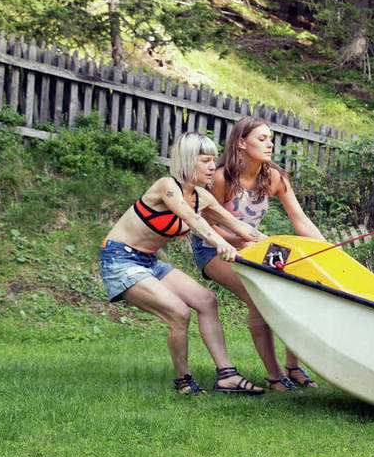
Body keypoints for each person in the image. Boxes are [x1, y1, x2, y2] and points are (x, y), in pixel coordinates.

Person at [100, 131, 268, 395]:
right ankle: (184, 382)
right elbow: (190, 218)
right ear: (188, 160)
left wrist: (280, 244)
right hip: (120, 260)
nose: (213, 166)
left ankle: (227, 376)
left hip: (148, 262)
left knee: (206, 300)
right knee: (179, 314)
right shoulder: (166, 186)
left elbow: (242, 228)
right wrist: (219, 242)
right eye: (206, 160)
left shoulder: (203, 197)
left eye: (214, 160)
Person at [190, 116, 327, 392]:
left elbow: (300, 220)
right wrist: (244, 239)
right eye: (262, 139)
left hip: (252, 246)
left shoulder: (274, 176)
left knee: (297, 286)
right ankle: (275, 376)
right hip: (213, 247)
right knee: (258, 294)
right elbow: (208, 225)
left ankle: (293, 366)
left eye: (271, 140)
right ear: (241, 143)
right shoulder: (222, 178)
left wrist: (326, 250)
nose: (270, 145)